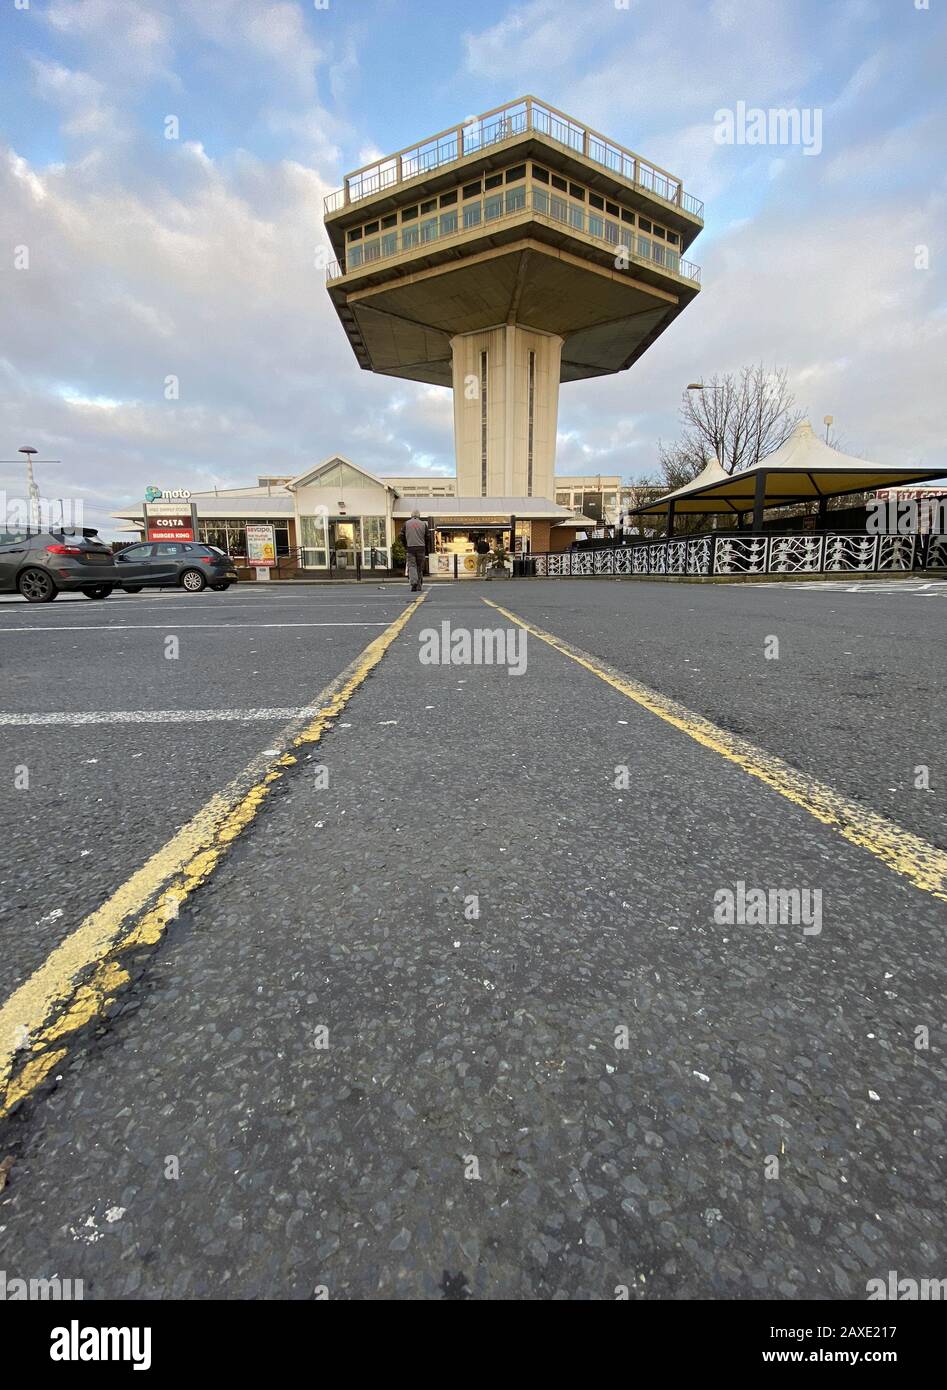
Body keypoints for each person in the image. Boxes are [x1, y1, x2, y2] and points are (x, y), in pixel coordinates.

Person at [399, 509, 429, 593]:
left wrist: (406, 545)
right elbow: (427, 537)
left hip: (410, 548)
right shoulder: (423, 524)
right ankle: (419, 586)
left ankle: (413, 582)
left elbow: (401, 536)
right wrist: (425, 547)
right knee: (419, 567)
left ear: (411, 515)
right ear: (419, 516)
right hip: (421, 548)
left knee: (412, 566)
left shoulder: (406, 523)